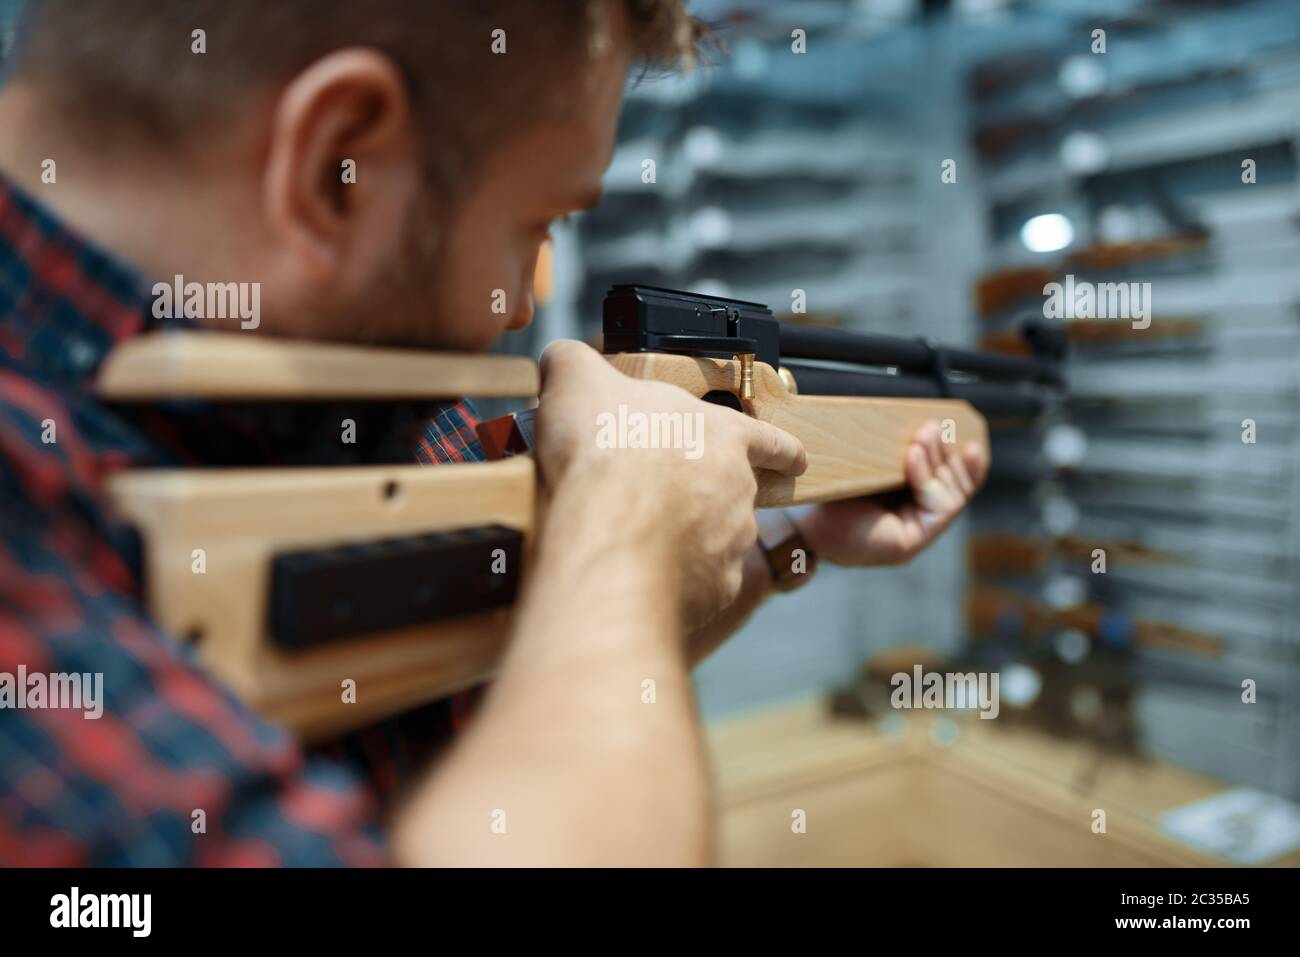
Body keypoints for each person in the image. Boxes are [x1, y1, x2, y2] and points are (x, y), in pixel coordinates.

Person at [0, 0, 985, 866]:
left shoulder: (345, 411)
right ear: (338, 167)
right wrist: (630, 527)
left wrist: (792, 545)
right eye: (539, 221)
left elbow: (538, 672)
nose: (538, 289)